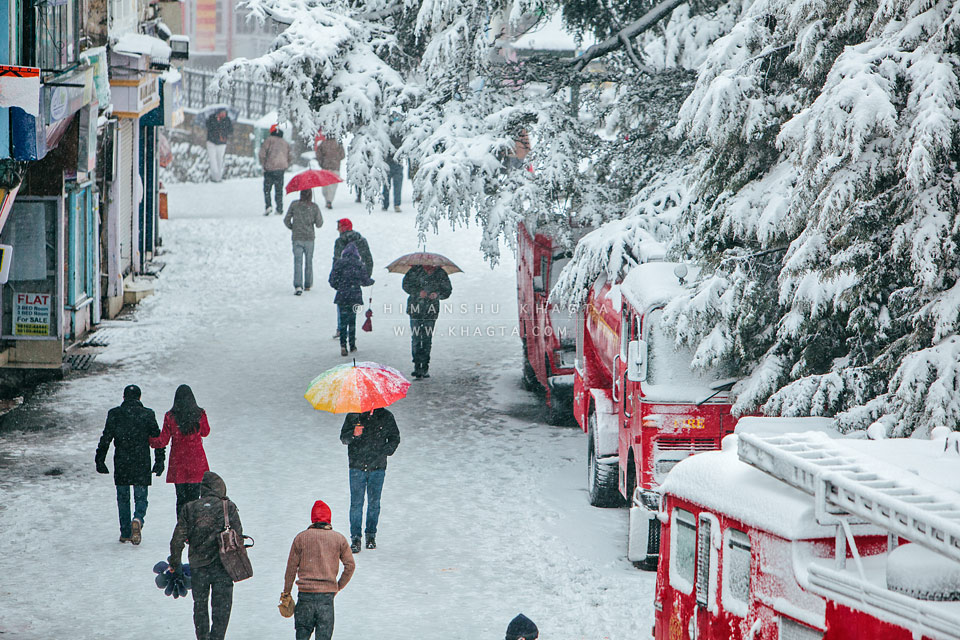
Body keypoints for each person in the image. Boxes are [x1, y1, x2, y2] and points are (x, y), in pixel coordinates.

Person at [169, 471, 242, 640]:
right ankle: (217, 637)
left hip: (198, 566)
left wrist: (175, 563)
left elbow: (177, 539)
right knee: (221, 607)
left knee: (200, 606)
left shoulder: (190, 508)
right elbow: (238, 534)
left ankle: (202, 637)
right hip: (224, 566)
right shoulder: (228, 507)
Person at [95, 384, 163, 545]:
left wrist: (100, 459)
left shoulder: (115, 414)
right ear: (140, 398)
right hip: (141, 461)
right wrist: (159, 461)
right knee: (141, 496)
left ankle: (125, 532)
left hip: (122, 461)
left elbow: (106, 437)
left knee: (123, 498)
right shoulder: (147, 414)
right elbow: (157, 439)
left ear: (123, 397)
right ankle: (138, 519)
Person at [282, 499, 356, 640]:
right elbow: (350, 565)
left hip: (305, 598)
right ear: (329, 518)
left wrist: (286, 592)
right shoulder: (339, 539)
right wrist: (338, 586)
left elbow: (291, 568)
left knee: (302, 635)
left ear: (313, 518)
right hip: (326, 599)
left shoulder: (301, 538)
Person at [339, 407, 400, 553]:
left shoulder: (386, 416)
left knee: (374, 503)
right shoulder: (353, 416)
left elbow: (395, 437)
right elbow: (344, 438)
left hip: (378, 467)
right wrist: (354, 433)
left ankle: (371, 535)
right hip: (356, 466)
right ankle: (355, 538)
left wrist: (385, 451)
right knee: (356, 504)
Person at [149, 384, 211, 516]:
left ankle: (182, 530)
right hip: (196, 461)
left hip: (179, 463)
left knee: (181, 501)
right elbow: (205, 432)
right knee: (194, 500)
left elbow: (163, 441)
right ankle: (194, 529)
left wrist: (149, 440)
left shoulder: (170, 416)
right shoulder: (199, 414)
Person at [402, 264, 452, 379]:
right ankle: (416, 365)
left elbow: (447, 291)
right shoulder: (414, 270)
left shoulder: (440, 273)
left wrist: (437, 295)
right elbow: (406, 286)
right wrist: (418, 293)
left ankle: (424, 366)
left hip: (431, 310)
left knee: (426, 338)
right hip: (415, 309)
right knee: (416, 337)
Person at [329, 243, 375, 356]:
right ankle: (352, 345)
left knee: (343, 321)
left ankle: (343, 345)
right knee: (352, 320)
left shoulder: (339, 263)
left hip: (342, 296)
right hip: (354, 296)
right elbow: (364, 281)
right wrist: (371, 281)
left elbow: (332, 280)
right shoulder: (359, 264)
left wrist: (339, 287)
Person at [332, 219, 373, 337]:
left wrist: (335, 280)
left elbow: (336, 262)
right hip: (356, 278)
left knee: (342, 305)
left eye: (339, 227)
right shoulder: (361, 240)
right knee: (352, 307)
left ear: (344, 228)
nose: (338, 229)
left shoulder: (340, 242)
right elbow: (368, 258)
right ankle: (351, 333)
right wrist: (365, 276)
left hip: (343, 281)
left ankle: (341, 329)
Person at [284, 189, 324, 295]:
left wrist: (293, 227)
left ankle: (298, 285)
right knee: (308, 261)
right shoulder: (314, 207)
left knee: (298, 262)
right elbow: (319, 224)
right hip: (309, 238)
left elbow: (286, 220)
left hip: (297, 237)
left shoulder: (294, 205)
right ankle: (307, 284)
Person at [259, 124, 294, 216]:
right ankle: (279, 208)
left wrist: (264, 164)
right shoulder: (285, 142)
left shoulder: (268, 140)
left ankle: (268, 206)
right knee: (279, 189)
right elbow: (290, 156)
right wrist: (286, 164)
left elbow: (262, 154)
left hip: (269, 168)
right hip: (281, 169)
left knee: (267, 189)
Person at [314, 132, 345, 209]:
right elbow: (343, 155)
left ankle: (327, 199)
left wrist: (322, 163)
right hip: (335, 167)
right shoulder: (338, 144)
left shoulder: (322, 144)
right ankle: (329, 200)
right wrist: (336, 159)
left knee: (325, 185)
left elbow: (318, 155)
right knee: (333, 186)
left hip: (325, 167)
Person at [205, 108, 234, 182]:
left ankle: (218, 176)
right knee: (213, 159)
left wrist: (222, 125)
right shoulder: (212, 118)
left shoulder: (227, 120)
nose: (223, 114)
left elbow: (230, 130)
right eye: (222, 113)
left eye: (224, 113)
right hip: (211, 142)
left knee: (219, 159)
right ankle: (215, 176)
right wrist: (216, 122)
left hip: (221, 143)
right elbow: (208, 127)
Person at [382, 130, 404, 212]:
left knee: (389, 186)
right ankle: (392, 204)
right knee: (393, 186)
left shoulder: (388, 135)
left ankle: (388, 204)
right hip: (392, 164)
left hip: (393, 163)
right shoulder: (398, 136)